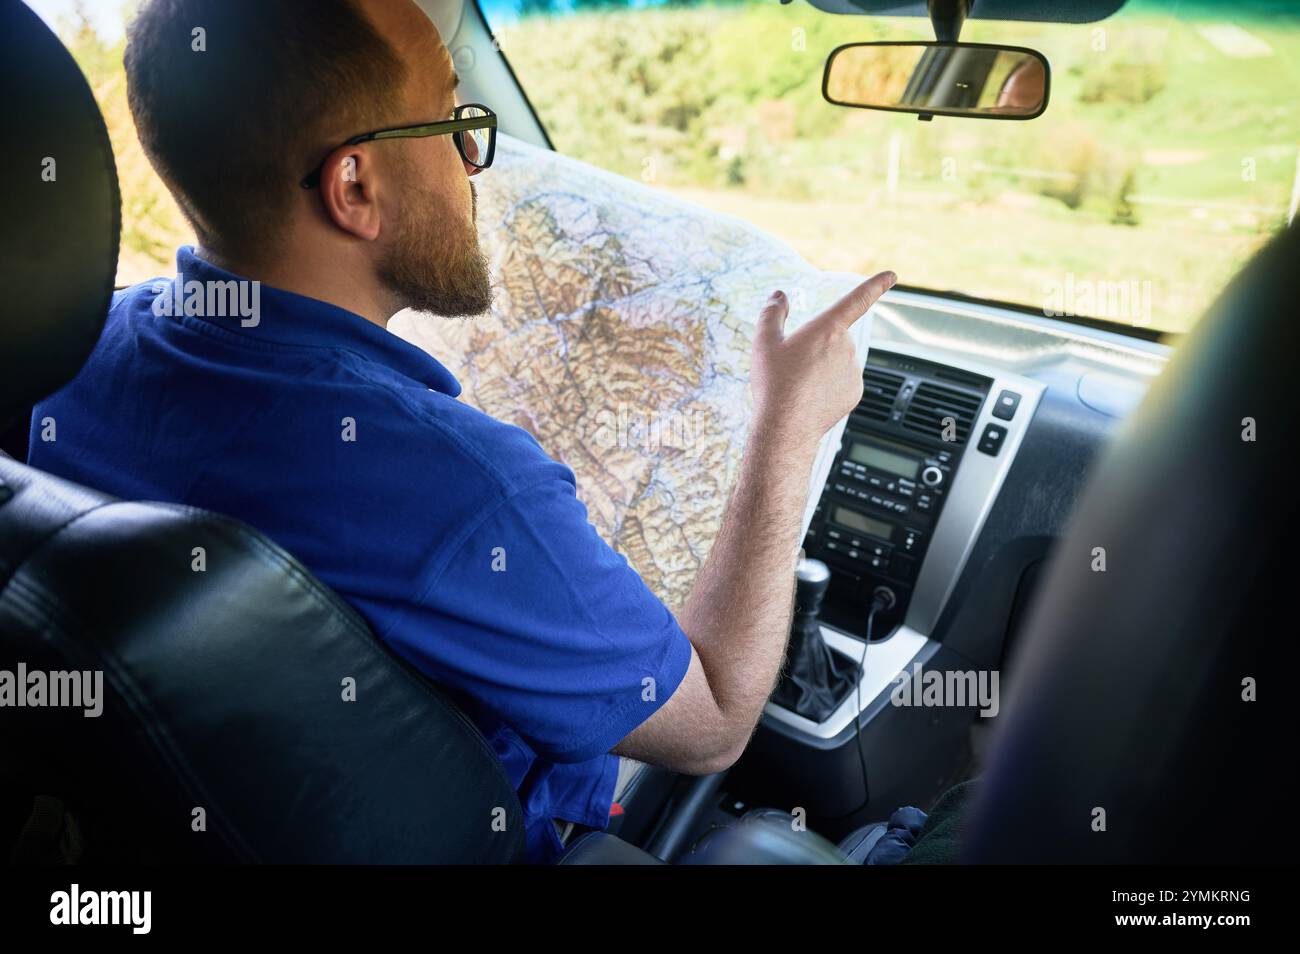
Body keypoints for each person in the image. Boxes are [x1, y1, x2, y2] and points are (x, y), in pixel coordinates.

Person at [28, 0, 895, 863]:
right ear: (356, 186)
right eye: (449, 121)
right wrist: (788, 427)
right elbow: (712, 725)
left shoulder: (65, 360)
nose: (473, 162)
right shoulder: (462, 494)